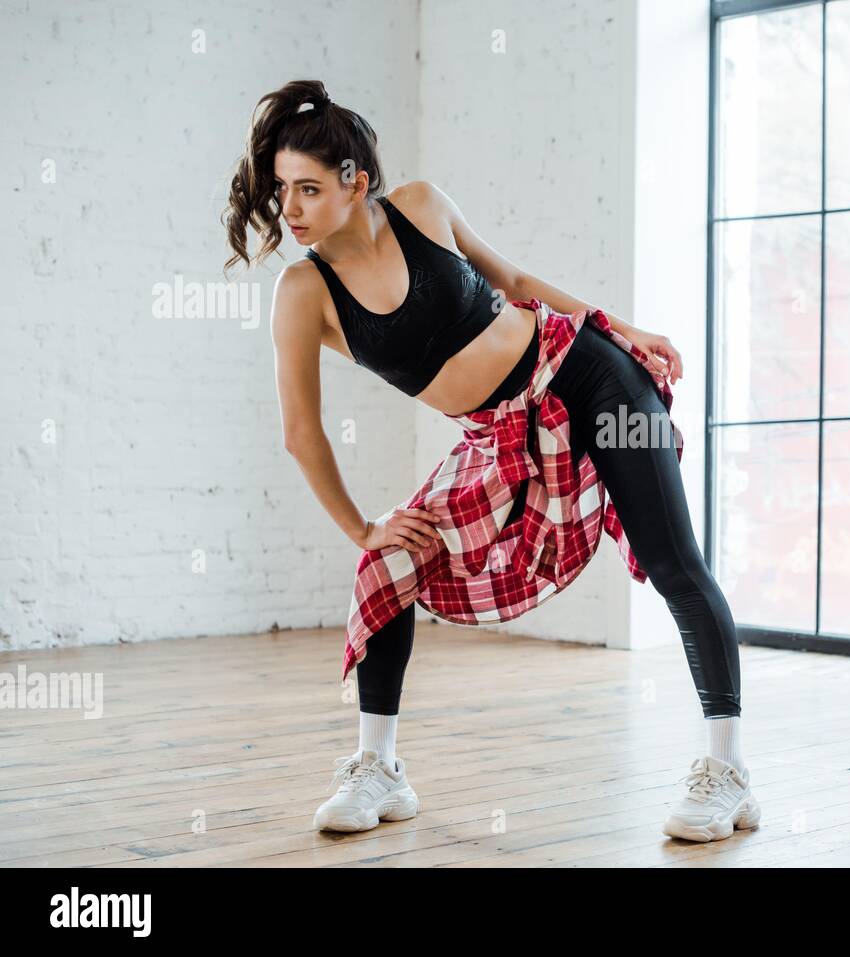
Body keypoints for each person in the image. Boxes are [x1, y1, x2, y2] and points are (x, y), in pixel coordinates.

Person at [222, 80, 759, 843]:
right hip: (505, 434)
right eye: (282, 191)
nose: (292, 209)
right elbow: (301, 431)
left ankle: (728, 773)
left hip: (588, 373)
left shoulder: (419, 206)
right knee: (387, 566)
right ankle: (379, 769)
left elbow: (514, 283)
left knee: (673, 561)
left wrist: (627, 331)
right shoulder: (304, 291)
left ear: (357, 183)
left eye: (308, 188)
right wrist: (363, 526)